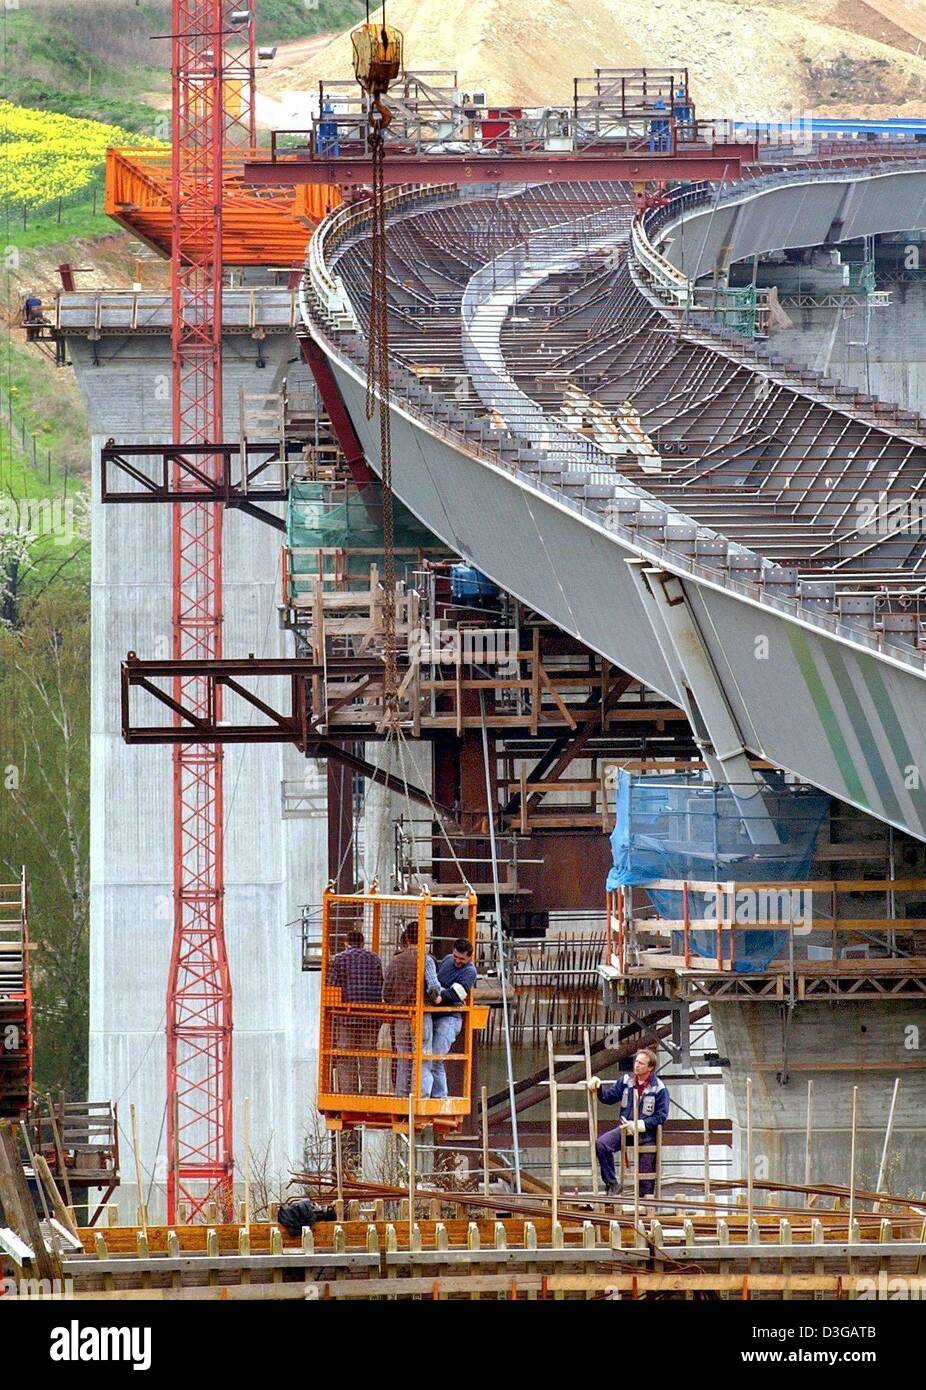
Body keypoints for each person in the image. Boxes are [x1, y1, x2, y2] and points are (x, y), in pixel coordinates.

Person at [588, 1048, 669, 1197]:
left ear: (650, 1067)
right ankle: (612, 1184)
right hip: (626, 1129)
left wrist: (640, 1125)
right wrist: (599, 1088)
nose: (636, 1065)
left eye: (641, 1063)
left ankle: (645, 1203)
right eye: (636, 1061)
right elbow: (608, 1097)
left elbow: (661, 1116)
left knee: (645, 1175)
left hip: (646, 1136)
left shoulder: (659, 1088)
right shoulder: (626, 1081)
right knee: (602, 1144)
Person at [383, 922, 440, 1097]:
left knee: (403, 1058)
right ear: (424, 938)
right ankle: (421, 1097)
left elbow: (386, 991)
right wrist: (436, 998)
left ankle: (401, 1096)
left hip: (401, 1016)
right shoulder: (426, 959)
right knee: (423, 1057)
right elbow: (433, 987)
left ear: (406, 938)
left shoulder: (395, 961)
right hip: (421, 1016)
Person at [326, 928, 384, 1094]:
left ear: (346, 943)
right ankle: (369, 1094)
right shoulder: (375, 959)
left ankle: (348, 1094)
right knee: (368, 1057)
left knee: (346, 1057)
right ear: (363, 943)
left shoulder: (338, 960)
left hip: (346, 1017)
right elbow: (381, 984)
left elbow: (331, 987)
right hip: (370, 1017)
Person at [425, 937, 477, 1100]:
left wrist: (439, 995)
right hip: (435, 1015)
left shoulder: (470, 971)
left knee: (436, 1059)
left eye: (462, 958)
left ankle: (440, 1097)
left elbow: (458, 993)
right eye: (455, 956)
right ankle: (437, 1096)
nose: (457, 961)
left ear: (469, 957)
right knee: (430, 1058)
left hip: (450, 1018)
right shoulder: (447, 960)